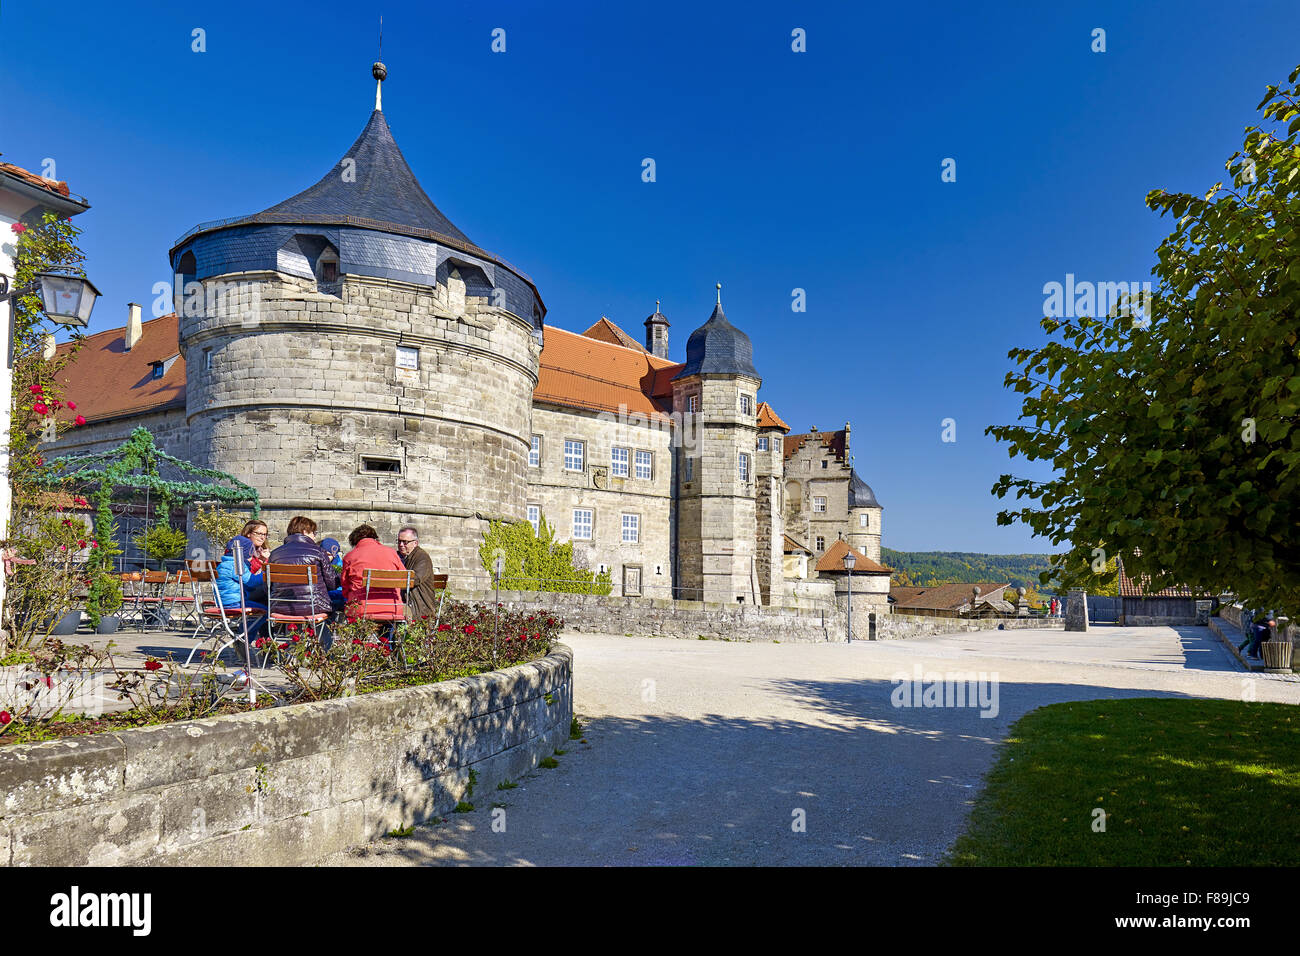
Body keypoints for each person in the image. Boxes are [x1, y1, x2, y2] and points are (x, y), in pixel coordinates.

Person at [267, 516, 341, 650]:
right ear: (305, 531)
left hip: (280, 607)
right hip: (313, 607)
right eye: (314, 533)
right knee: (335, 607)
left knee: (296, 608)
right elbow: (332, 584)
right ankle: (326, 651)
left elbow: (269, 586)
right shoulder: (318, 552)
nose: (314, 536)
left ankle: (293, 647)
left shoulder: (275, 554)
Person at [341, 524, 407, 629]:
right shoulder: (392, 553)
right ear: (375, 538)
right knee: (388, 622)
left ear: (355, 541)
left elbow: (345, 588)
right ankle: (388, 644)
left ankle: (359, 643)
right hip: (392, 608)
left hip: (361, 608)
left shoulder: (350, 557)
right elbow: (404, 578)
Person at [215, 521, 268, 645]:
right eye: (249, 555)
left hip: (225, 602)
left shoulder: (225, 563)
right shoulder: (236, 564)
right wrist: (267, 572)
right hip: (235, 602)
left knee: (261, 608)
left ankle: (245, 637)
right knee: (265, 611)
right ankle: (244, 637)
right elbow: (251, 582)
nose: (250, 558)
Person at [395, 526, 439, 621]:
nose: (401, 545)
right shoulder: (396, 556)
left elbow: (415, 579)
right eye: (399, 541)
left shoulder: (422, 557)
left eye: (405, 542)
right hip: (400, 602)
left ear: (415, 543)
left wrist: (391, 582)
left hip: (418, 607)